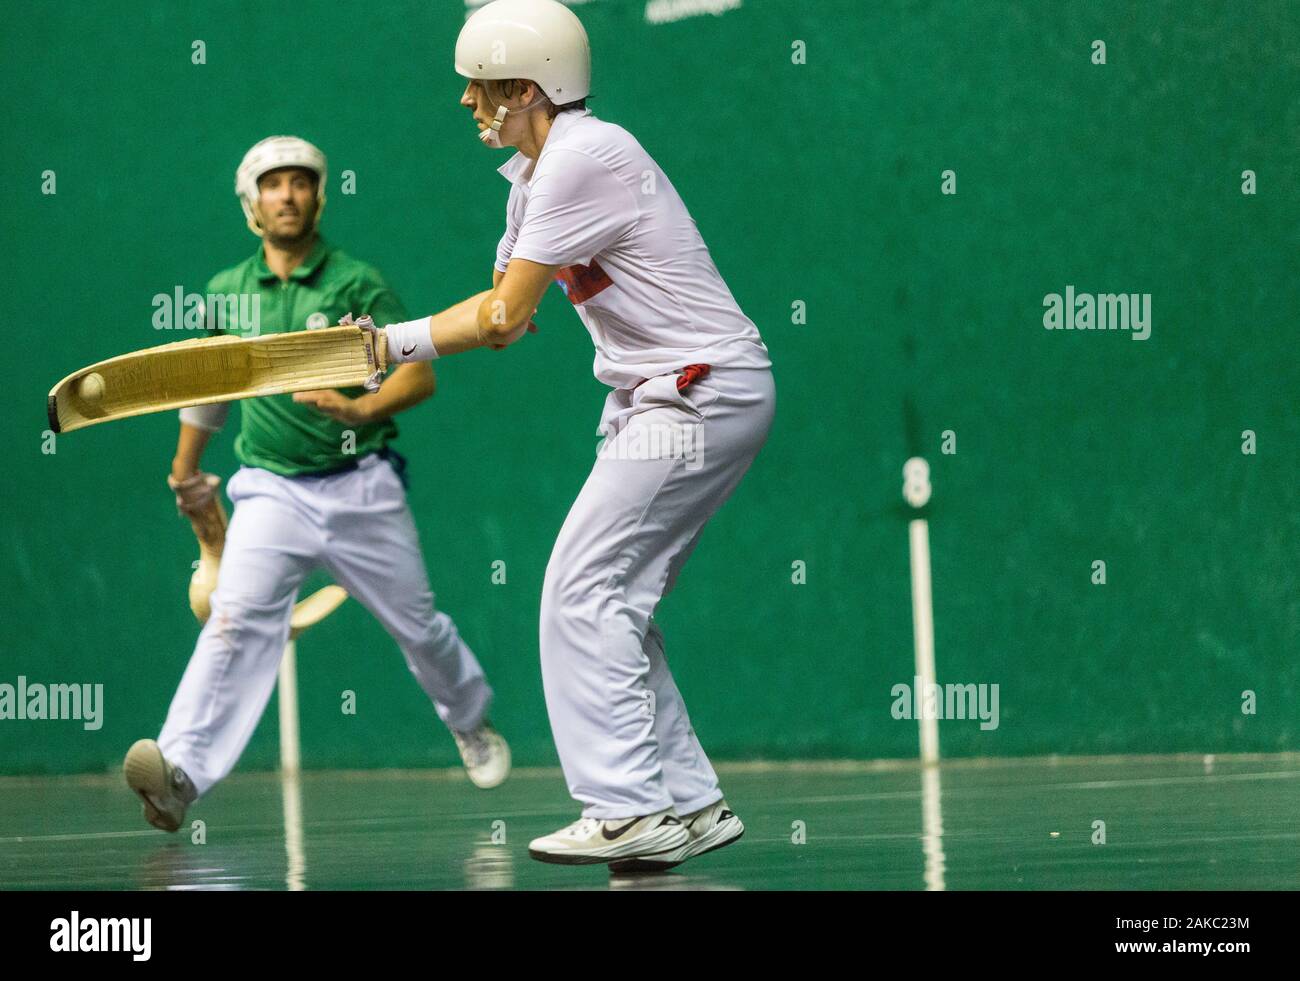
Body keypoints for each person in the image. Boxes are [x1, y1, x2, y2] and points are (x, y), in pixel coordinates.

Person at [372, 0, 773, 870]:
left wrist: (389, 345)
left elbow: (503, 313)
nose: (470, 105)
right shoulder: (533, 176)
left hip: (696, 393)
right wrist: (413, 336)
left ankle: (627, 810)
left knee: (577, 588)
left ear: (532, 89)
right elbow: (507, 320)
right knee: (615, 600)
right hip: (673, 397)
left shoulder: (586, 156)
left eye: (484, 90)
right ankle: (690, 804)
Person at [123, 135, 509, 833]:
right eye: (273, 185)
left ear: (320, 195)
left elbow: (418, 371)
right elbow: (207, 393)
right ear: (252, 204)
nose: (288, 195)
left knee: (420, 629)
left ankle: (471, 720)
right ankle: (178, 774)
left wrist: (360, 408)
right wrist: (187, 469)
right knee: (235, 620)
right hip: (271, 489)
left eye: (301, 183)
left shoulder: (355, 282)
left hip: (363, 486)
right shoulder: (225, 293)